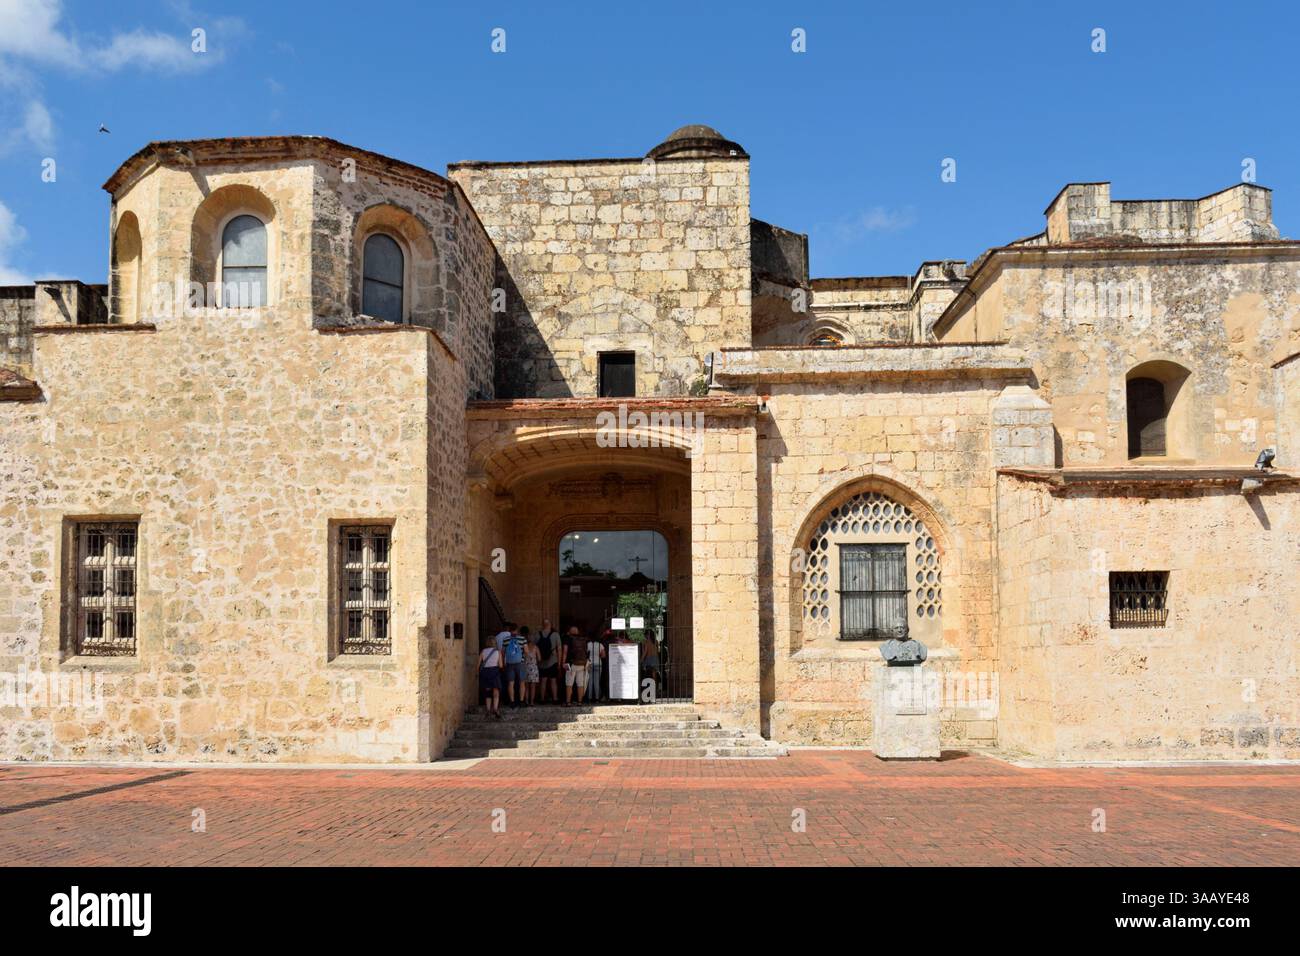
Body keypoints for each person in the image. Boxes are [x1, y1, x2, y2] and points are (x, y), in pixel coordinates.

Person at [561, 625, 590, 705]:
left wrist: (563, 662)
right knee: (580, 683)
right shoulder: (583, 639)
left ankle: (568, 702)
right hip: (582, 664)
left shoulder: (567, 639)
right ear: (577, 632)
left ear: (570, 632)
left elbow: (565, 651)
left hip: (570, 664)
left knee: (569, 683)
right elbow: (587, 651)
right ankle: (580, 702)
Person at [502, 624, 528, 708]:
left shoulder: (506, 639)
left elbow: (503, 653)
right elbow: (526, 651)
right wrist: (524, 659)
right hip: (520, 663)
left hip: (509, 664)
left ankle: (512, 702)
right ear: (517, 630)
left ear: (509, 630)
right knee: (522, 682)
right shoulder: (522, 639)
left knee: (511, 683)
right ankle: (521, 701)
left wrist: (504, 662)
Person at [537, 618, 561, 703]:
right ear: (550, 624)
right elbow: (559, 649)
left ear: (543, 625)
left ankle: (542, 699)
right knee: (553, 681)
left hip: (541, 662)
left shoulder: (538, 634)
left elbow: (534, 647)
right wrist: (559, 662)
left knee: (543, 681)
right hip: (553, 661)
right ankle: (555, 698)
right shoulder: (555, 635)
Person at [478, 639, 503, 719]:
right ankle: (495, 708)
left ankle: (488, 710)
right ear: (495, 643)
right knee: (496, 692)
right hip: (495, 672)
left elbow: (478, 664)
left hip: (485, 673)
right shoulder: (498, 652)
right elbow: (501, 665)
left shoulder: (483, 651)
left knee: (488, 692)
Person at [586, 631, 607, 704]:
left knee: (590, 681)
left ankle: (589, 698)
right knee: (597, 681)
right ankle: (597, 698)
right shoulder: (600, 645)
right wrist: (598, 655)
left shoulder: (588, 644)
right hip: (598, 664)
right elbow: (604, 655)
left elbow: (586, 654)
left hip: (590, 664)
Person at [641, 627, 660, 702]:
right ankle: (654, 692)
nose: (645, 636)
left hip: (649, 659)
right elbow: (657, 651)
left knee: (648, 676)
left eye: (646, 635)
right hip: (655, 659)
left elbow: (645, 652)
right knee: (654, 677)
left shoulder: (646, 642)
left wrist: (641, 660)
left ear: (647, 635)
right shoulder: (656, 641)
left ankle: (649, 693)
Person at [523, 630, 541, 705]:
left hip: (525, 667)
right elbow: (539, 658)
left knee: (526, 686)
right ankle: (532, 702)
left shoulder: (524, 647)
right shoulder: (536, 647)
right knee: (533, 686)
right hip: (534, 668)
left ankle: (526, 701)